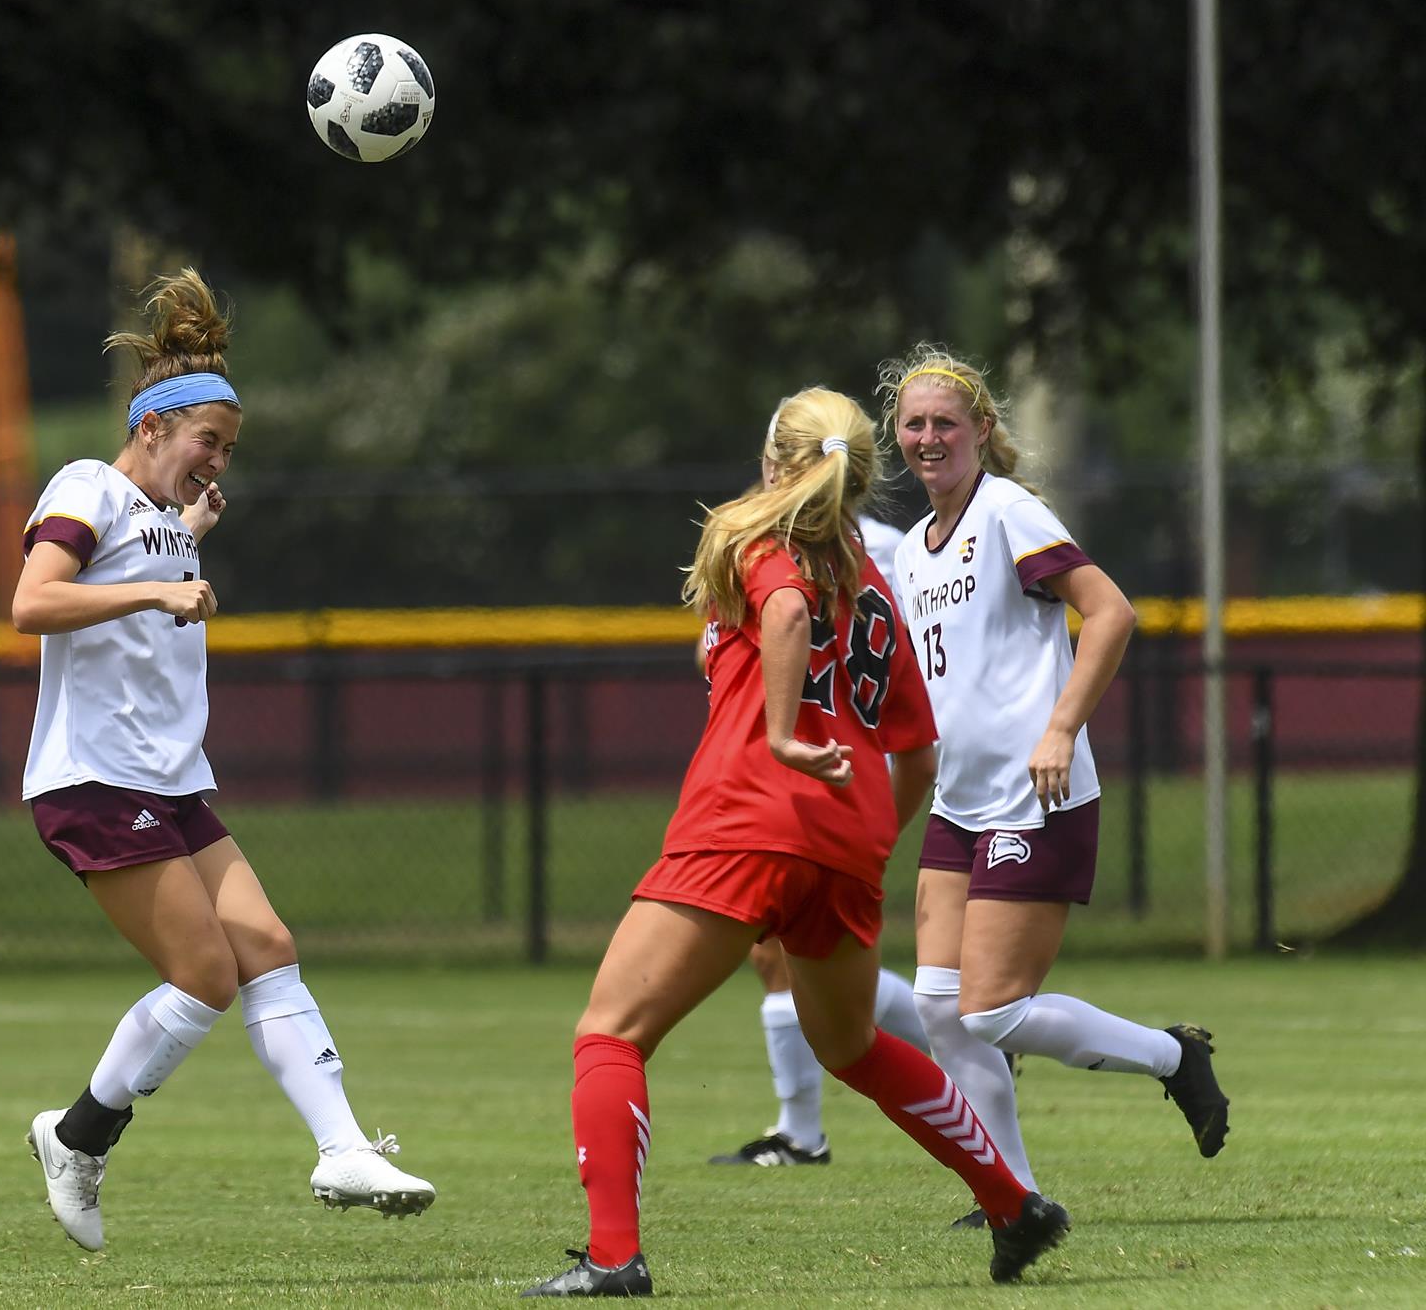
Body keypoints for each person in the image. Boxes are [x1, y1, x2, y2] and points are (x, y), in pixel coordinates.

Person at [522, 388, 1069, 1298]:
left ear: (777, 461)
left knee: (609, 1033)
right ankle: (1014, 1204)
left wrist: (779, 734)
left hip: (750, 815)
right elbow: (918, 750)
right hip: (845, 832)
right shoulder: (875, 580)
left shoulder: (758, 536)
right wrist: (870, 841)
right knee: (852, 1043)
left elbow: (781, 614)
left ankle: (615, 1259)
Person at [12, 269, 434, 1253]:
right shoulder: (87, 484)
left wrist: (178, 547)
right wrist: (153, 593)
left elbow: (141, 568)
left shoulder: (165, 521)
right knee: (204, 973)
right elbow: (33, 602)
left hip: (166, 779)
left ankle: (340, 1149)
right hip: (93, 779)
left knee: (266, 947)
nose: (216, 465)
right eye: (207, 444)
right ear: (150, 427)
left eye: (228, 451)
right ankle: (75, 1138)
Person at [883, 347, 1230, 1227]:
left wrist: (1061, 726)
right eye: (915, 424)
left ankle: (1171, 1056)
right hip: (961, 799)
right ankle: (1016, 1194)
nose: (929, 438)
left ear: (982, 431)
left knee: (993, 1009)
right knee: (936, 1004)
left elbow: (1111, 610)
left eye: (946, 423)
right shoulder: (913, 552)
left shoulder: (1006, 510)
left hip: (1034, 796)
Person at [694, 518, 937, 1170]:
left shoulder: (856, 547)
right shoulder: (767, 538)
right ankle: (958, 1054)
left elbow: (796, 628)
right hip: (802, 779)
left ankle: (803, 1130)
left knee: (615, 1027)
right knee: (814, 981)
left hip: (818, 770)